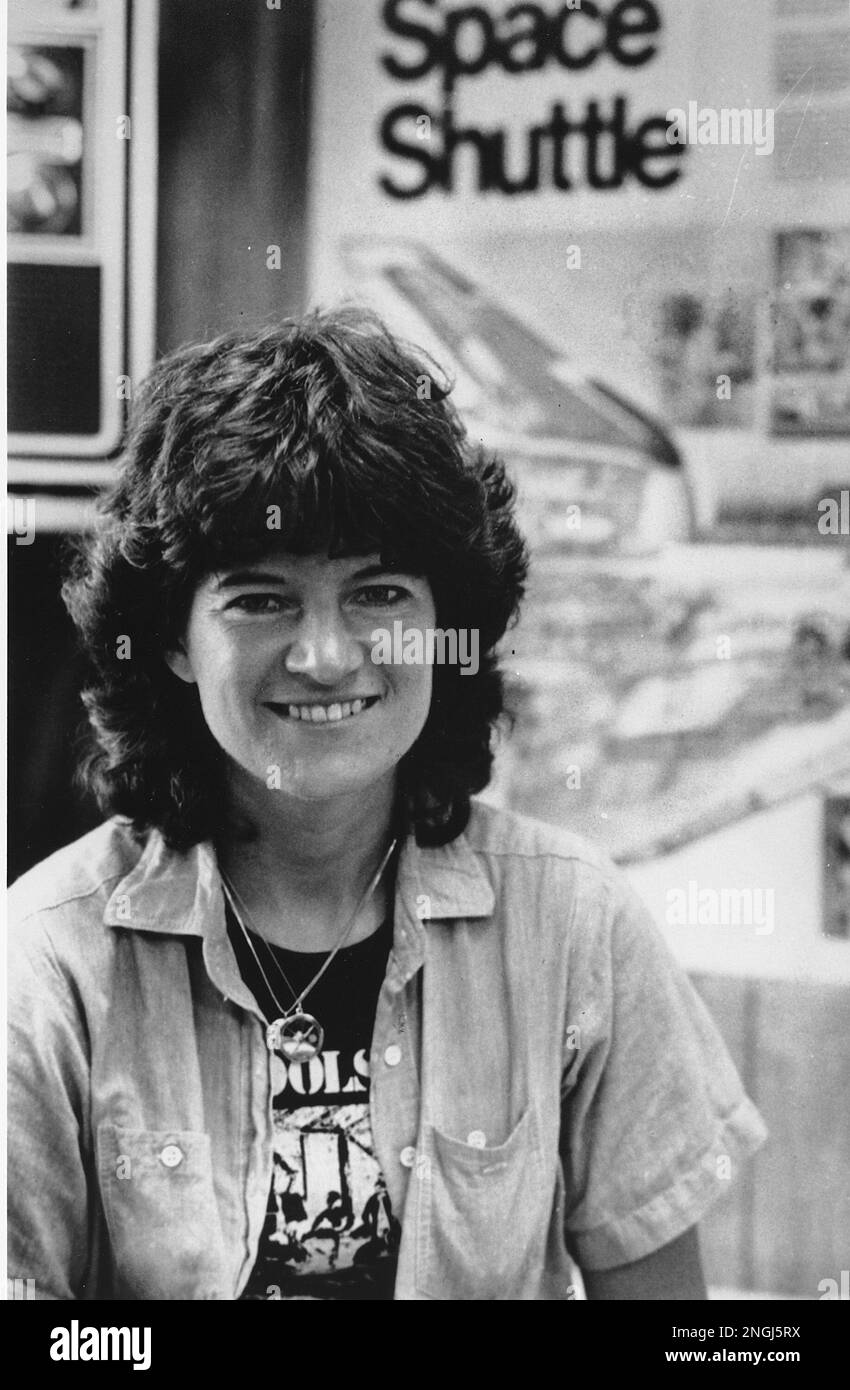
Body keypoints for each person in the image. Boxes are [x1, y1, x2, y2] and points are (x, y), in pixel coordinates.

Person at [8, 307, 766, 1301]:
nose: (326, 655)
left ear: (448, 626)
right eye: (260, 597)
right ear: (174, 642)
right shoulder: (49, 958)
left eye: (377, 594)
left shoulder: (574, 922)